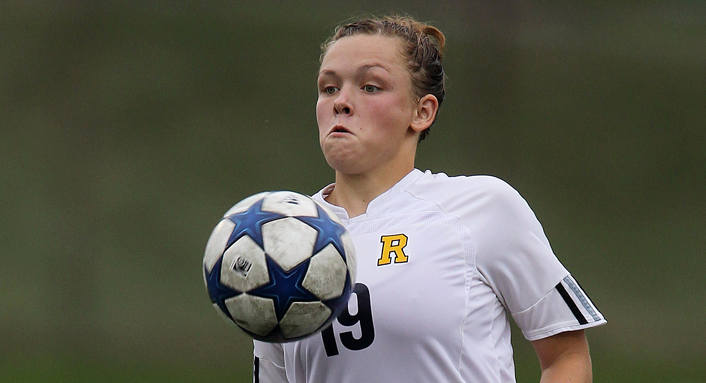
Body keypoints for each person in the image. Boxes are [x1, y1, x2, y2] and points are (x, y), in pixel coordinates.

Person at [253, 15, 606, 383]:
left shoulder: (483, 208)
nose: (341, 102)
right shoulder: (279, 242)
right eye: (329, 88)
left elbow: (566, 357)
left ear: (422, 112)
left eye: (370, 86)